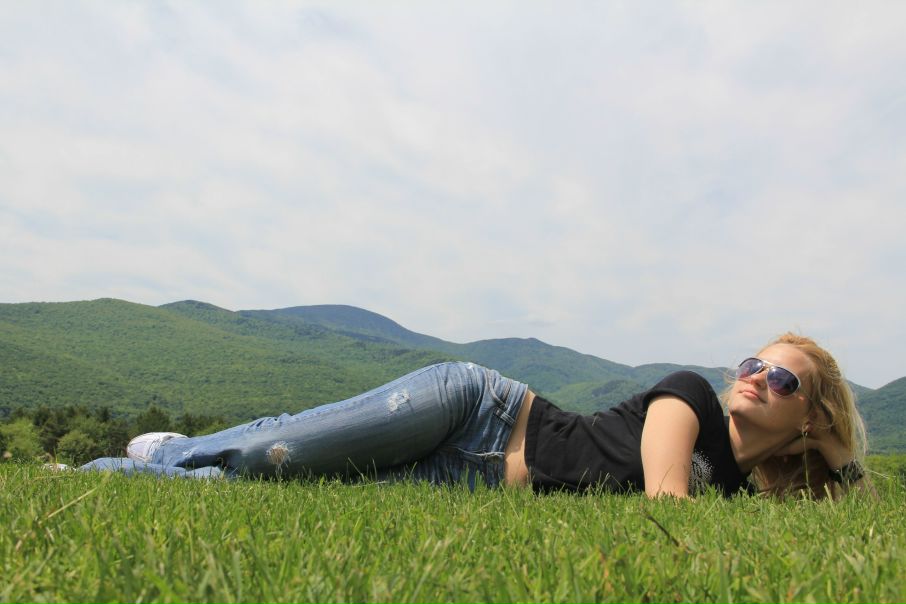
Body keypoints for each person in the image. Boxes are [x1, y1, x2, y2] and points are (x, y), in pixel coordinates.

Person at [79, 332, 869, 499]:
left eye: (783, 381)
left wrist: (840, 453)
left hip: (472, 482)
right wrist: (819, 435)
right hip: (479, 413)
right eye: (754, 364)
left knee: (270, 486)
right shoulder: (688, 395)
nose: (757, 379)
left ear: (809, 418)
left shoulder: (743, 490)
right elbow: (666, 502)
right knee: (268, 458)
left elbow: (857, 525)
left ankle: (107, 470)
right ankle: (170, 449)